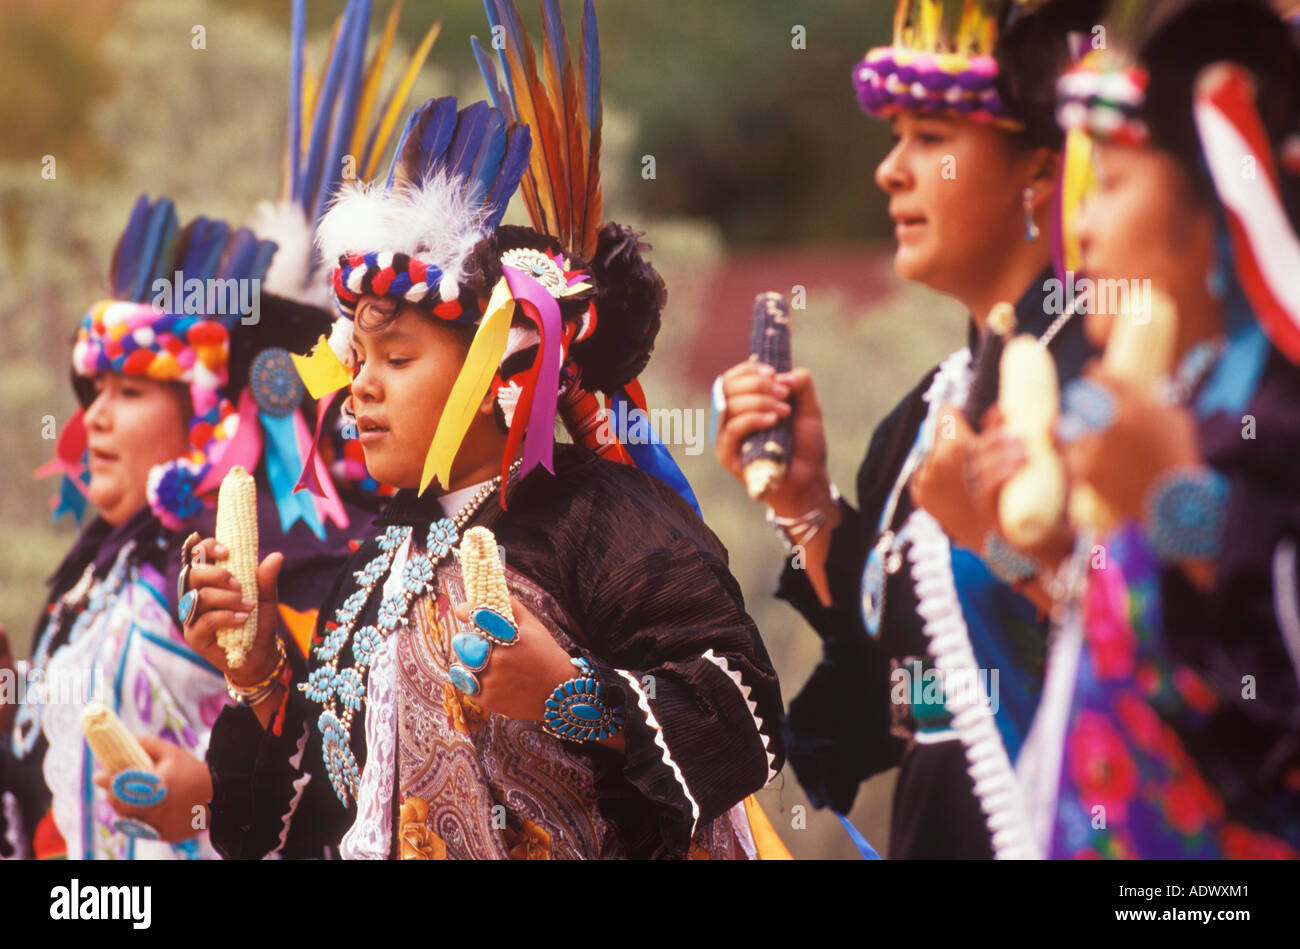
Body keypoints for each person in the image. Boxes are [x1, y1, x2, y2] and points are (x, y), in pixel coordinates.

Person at [190, 1, 785, 861]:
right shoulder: (381, 557)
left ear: (497, 370)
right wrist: (261, 671)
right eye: (356, 357)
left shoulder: (602, 515)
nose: (359, 387)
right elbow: (326, 810)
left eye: (395, 358)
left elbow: (749, 713)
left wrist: (574, 695)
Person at [0, 0, 433, 859]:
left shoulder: (275, 566)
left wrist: (203, 801)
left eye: (129, 389)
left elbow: (343, 790)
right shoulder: (101, 567)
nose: (93, 416)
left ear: (202, 414)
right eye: (94, 389)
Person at [714, 0, 1100, 858]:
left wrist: (998, 547)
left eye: (932, 139)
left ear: (1040, 169)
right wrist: (806, 502)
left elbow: (1160, 667)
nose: (891, 171)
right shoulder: (928, 413)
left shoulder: (1103, 396)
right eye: (896, 136)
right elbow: (906, 695)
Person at [1008, 0, 1300, 858]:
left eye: (1117, 185)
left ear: (1211, 210)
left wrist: (1173, 495)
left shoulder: (1274, 426)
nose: (1082, 224)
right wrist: (1003, 537)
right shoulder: (1178, 401)